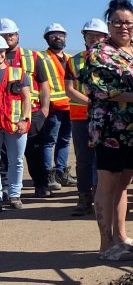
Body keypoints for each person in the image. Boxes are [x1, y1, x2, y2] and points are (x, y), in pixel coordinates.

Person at [79, 0, 133, 261]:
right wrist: (131, 98)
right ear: (109, 25)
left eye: (129, 23)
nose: (124, 27)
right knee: (108, 184)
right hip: (111, 128)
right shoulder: (99, 52)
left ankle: (121, 236)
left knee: (123, 185)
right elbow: (96, 88)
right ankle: (106, 244)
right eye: (118, 22)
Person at [1, 18, 52, 201]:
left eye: (11, 34)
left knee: (34, 149)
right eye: (4, 35)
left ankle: (41, 184)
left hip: (33, 112)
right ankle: (6, 189)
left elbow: (44, 85)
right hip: (5, 116)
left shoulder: (33, 57)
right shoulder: (0, 56)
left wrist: (45, 109)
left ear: (18, 35)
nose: (8, 38)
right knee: (5, 155)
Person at [67, 19, 108, 215]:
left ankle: (102, 196)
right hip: (81, 117)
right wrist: (92, 103)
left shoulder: (112, 59)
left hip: (106, 117)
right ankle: (84, 198)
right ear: (84, 37)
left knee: (103, 159)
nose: (93, 38)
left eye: (97, 35)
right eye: (90, 35)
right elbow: (69, 90)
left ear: (105, 37)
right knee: (83, 159)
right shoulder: (74, 60)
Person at [39, 23, 74, 191]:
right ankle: (48, 174)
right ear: (47, 38)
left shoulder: (69, 58)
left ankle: (61, 171)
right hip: (53, 107)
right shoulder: (41, 57)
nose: (58, 37)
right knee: (49, 141)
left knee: (65, 141)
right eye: (53, 35)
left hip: (69, 106)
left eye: (60, 34)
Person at [0, 44, 32, 210]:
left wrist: (24, 119)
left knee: (16, 161)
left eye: (1, 51)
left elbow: (27, 98)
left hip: (15, 124)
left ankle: (14, 195)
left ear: (5, 52)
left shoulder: (18, 73)